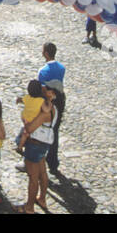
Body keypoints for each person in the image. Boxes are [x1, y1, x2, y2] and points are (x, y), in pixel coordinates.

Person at [19, 82, 56, 213]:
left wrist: (25, 122)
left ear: (51, 93)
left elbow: (30, 128)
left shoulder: (45, 112)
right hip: (44, 143)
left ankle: (29, 207)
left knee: (33, 177)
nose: (43, 90)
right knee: (43, 172)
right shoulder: (53, 108)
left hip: (35, 144)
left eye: (45, 89)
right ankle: (42, 199)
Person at [38, 42, 66, 175]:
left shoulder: (43, 71)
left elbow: (43, 90)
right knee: (55, 131)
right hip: (60, 100)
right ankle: (53, 161)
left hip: (49, 102)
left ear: (46, 54)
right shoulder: (62, 68)